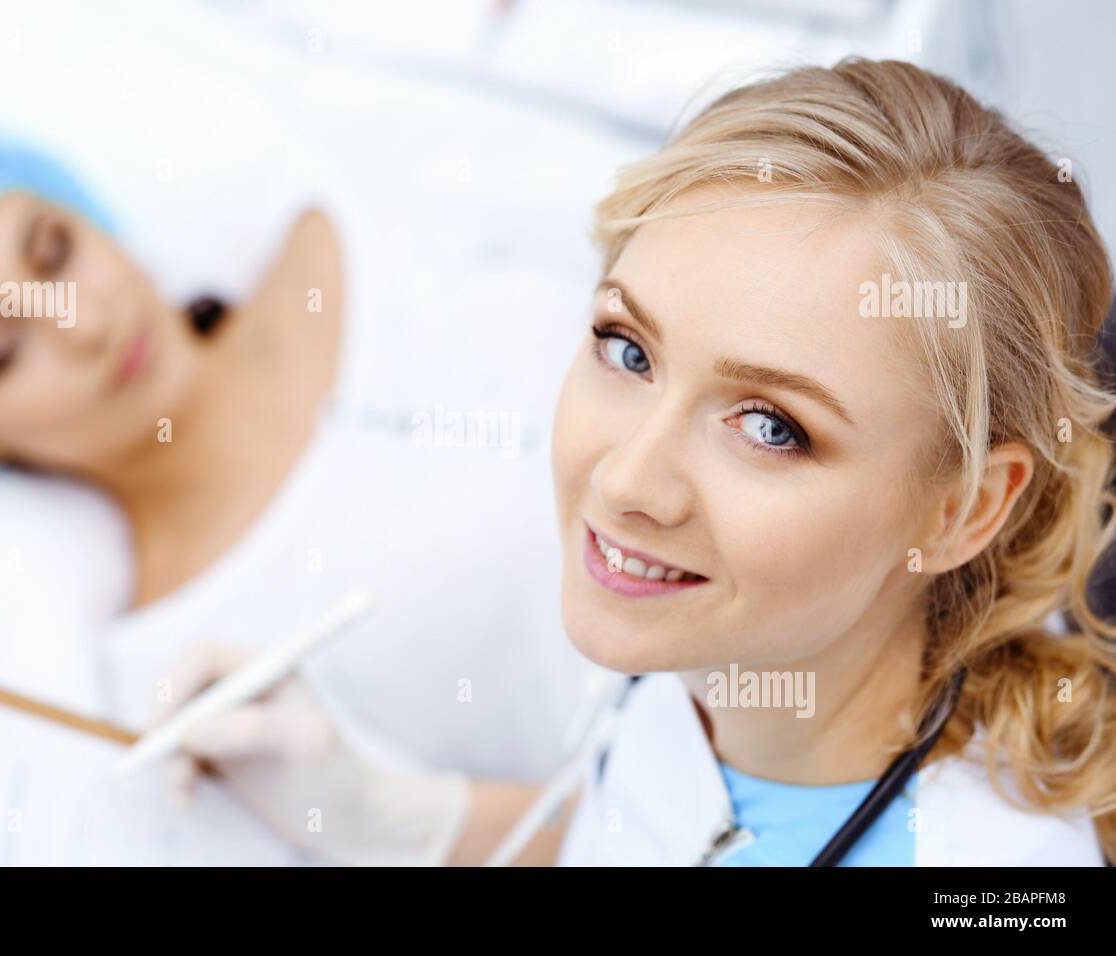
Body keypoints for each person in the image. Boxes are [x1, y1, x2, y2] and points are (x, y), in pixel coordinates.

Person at [150, 58, 1116, 866]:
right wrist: (384, 814)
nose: (623, 483)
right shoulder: (736, 666)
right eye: (628, 349)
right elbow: (661, 831)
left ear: (962, 510)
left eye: (771, 426)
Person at [0, 126, 595, 864]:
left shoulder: (352, 215)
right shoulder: (187, 690)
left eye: (54, 254)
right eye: (4, 350)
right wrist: (407, 824)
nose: (85, 324)